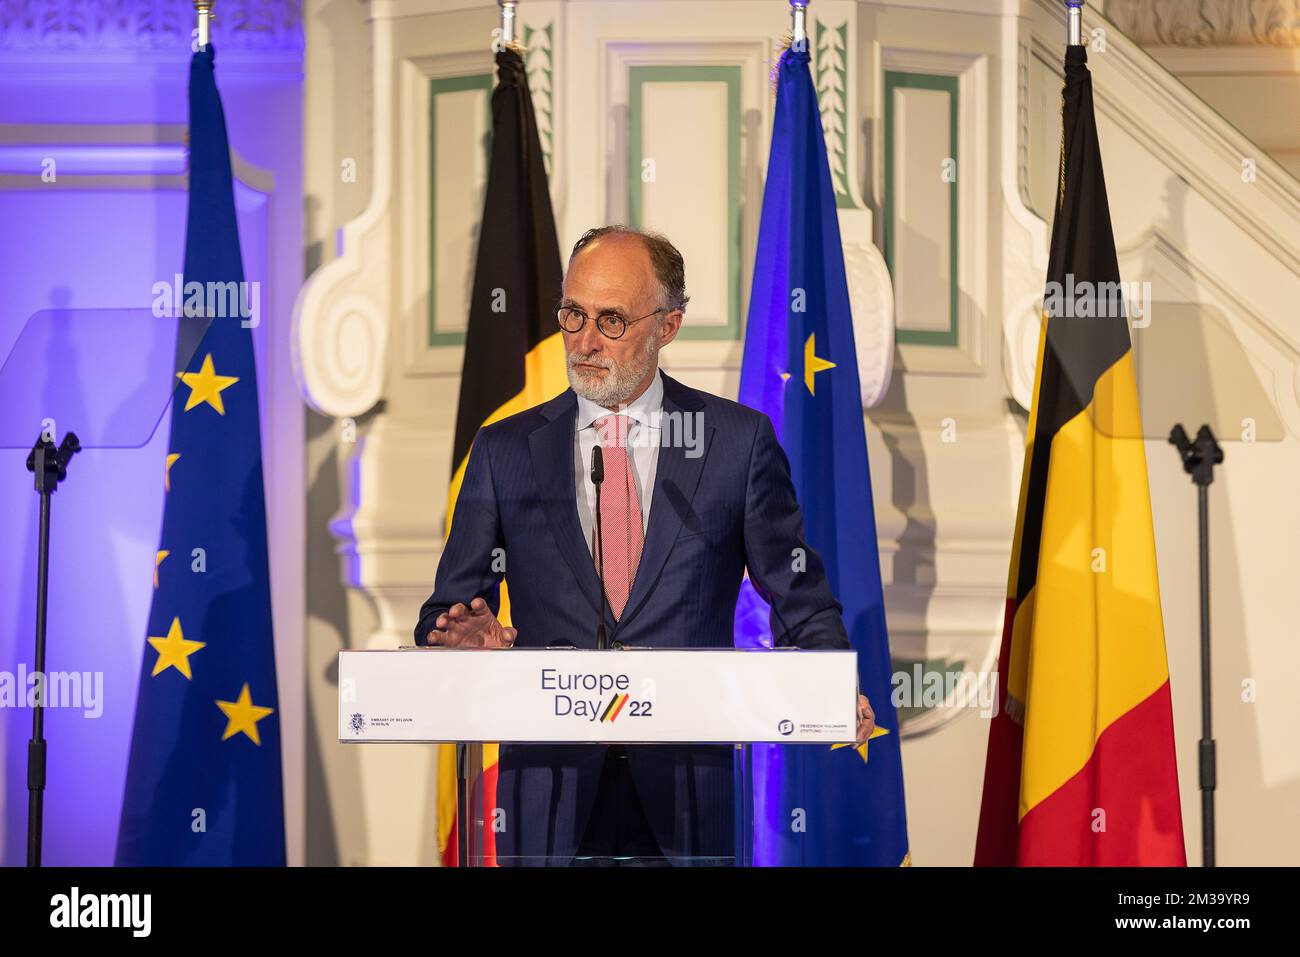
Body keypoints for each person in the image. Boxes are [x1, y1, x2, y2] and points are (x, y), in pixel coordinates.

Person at [415, 225, 875, 865]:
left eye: (610, 320)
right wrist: (463, 636)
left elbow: (799, 593)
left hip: (688, 795)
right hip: (550, 796)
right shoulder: (506, 450)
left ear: (668, 326)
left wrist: (830, 679)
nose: (584, 341)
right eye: (572, 315)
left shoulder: (735, 443)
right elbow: (445, 613)